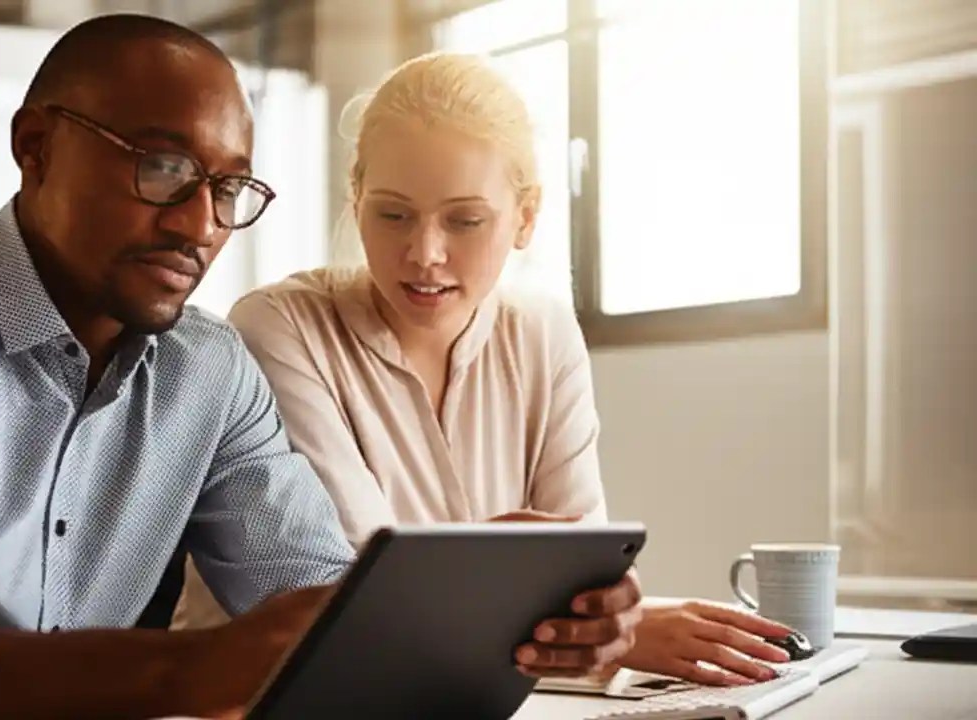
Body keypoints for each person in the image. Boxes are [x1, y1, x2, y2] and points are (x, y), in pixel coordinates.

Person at [0, 17, 641, 720]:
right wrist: (191, 667)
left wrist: (502, 611)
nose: (200, 224)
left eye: (227, 187)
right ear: (34, 146)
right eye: (160, 167)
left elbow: (316, 615)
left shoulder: (207, 371)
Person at [174, 52, 797, 687]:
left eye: (465, 219)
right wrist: (621, 630)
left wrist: (613, 625)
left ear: (526, 216)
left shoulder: (543, 333)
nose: (424, 254)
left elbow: (584, 580)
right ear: (355, 196)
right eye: (392, 213)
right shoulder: (279, 328)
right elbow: (358, 602)